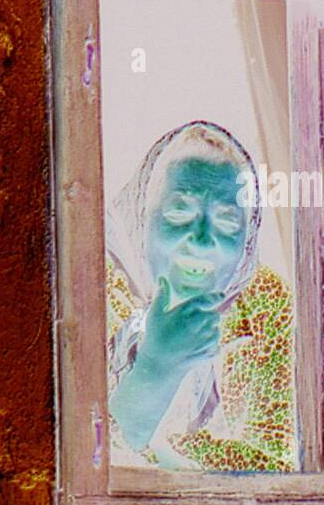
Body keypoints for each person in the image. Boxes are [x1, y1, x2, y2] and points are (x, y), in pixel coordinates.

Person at [106, 121, 295, 472]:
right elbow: (87, 458)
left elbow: (276, 466)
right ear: (141, 217)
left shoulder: (264, 303)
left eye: (227, 222)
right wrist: (158, 365)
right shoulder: (96, 288)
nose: (203, 240)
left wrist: (166, 450)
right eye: (180, 212)